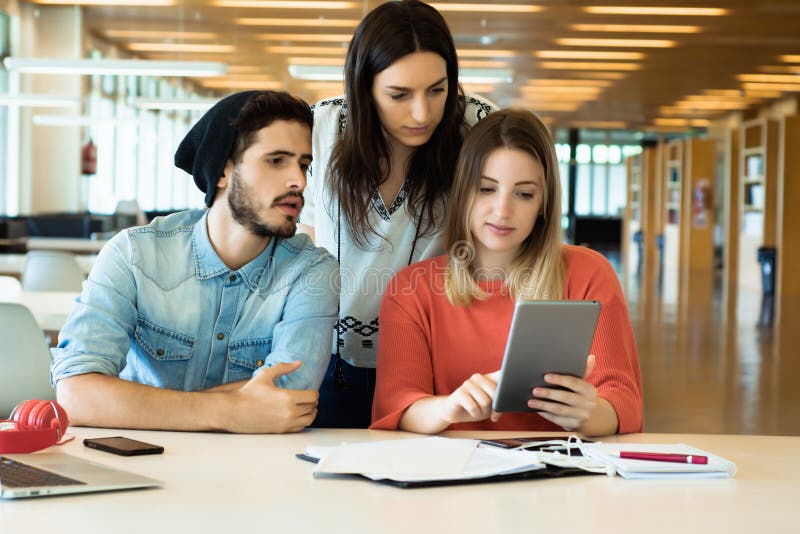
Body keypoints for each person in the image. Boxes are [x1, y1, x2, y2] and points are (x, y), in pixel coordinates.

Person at [51, 91, 339, 434]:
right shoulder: (133, 255)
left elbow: (289, 399)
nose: (299, 181)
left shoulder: (313, 272)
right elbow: (77, 394)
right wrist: (230, 412)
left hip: (255, 474)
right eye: (276, 161)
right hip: (134, 467)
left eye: (303, 165)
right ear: (222, 171)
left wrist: (132, 404)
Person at [371, 109, 643, 435]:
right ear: (462, 193)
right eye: (486, 189)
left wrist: (590, 413)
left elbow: (623, 403)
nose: (502, 211)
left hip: (560, 472)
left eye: (524, 194)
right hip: (453, 474)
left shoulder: (588, 273)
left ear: (544, 203)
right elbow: (395, 408)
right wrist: (448, 408)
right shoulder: (412, 289)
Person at [298, 0, 495, 428]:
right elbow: (305, 238)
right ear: (363, 88)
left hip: (438, 363)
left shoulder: (478, 128)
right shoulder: (322, 128)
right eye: (399, 95)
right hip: (330, 360)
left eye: (437, 90)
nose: (422, 113)